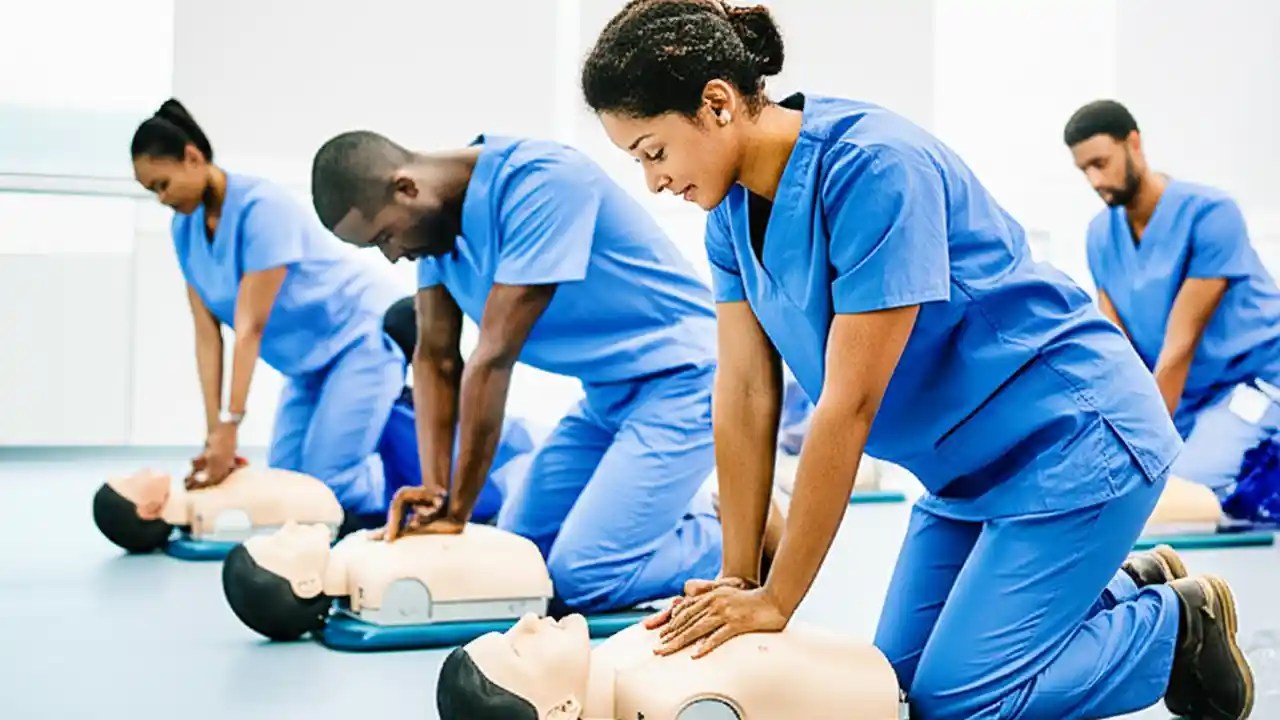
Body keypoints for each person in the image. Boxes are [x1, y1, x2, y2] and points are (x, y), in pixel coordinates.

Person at [580, 3, 1254, 719]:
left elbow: (850, 403)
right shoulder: (728, 219)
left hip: (1073, 444)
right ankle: (1126, 583)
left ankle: (1175, 626)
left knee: (961, 703)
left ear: (716, 103)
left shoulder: (874, 167)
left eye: (653, 152)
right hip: (962, 477)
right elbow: (745, 392)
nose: (653, 182)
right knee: (890, 687)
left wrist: (779, 600)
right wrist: (739, 576)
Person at [308, 129, 727, 615]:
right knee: (520, 558)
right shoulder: (436, 234)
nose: (394, 255)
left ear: (407, 188)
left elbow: (493, 356)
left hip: (690, 378)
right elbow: (435, 357)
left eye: (385, 236)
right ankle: (680, 514)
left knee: (584, 580)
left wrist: (456, 512)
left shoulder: (542, 182)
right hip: (607, 395)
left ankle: (736, 531)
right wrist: (435, 492)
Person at [130, 98, 408, 521]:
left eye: (162, 184)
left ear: (192, 158)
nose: (160, 199)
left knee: (327, 483)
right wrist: (215, 437)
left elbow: (249, 327)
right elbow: (207, 336)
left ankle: (414, 507)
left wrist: (231, 425)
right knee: (287, 483)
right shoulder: (183, 229)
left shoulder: (262, 209)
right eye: (151, 191)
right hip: (307, 364)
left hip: (359, 335)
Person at [1065, 99, 1280, 503]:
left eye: (1101, 162)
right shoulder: (1099, 235)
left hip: (1252, 384)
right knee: (1098, 478)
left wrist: (1143, 445)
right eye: (1084, 170)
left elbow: (1180, 346)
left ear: (1133, 144)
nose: (1095, 180)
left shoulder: (1212, 214)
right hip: (1182, 401)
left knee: (1176, 488)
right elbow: (1118, 350)